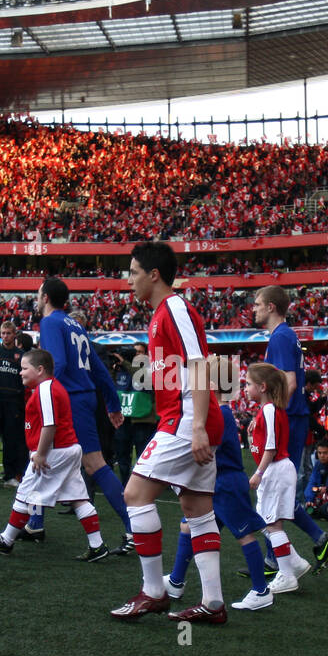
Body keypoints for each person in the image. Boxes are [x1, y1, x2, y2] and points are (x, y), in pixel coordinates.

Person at [110, 241, 226, 624]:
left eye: (133, 273)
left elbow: (199, 364)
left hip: (186, 418)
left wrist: (195, 426)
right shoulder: (165, 312)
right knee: (197, 509)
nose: (129, 281)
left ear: (153, 274)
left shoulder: (174, 307)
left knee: (134, 494)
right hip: (193, 418)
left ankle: (154, 592)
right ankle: (212, 604)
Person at [167, 355, 278, 611]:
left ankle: (261, 591)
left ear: (213, 383)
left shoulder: (221, 414)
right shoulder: (221, 412)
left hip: (226, 483)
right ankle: (175, 581)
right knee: (189, 527)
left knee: (244, 534)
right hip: (218, 483)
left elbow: (209, 452)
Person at [32, 278, 134, 554]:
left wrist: (46, 391)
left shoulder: (51, 323)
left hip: (70, 399)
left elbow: (59, 363)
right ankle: (33, 521)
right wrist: (113, 404)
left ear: (45, 297)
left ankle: (133, 528)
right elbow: (99, 368)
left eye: (39, 292)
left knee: (93, 464)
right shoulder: (74, 324)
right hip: (84, 396)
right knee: (45, 457)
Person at [0, 349, 108, 562]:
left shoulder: (46, 389)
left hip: (54, 451)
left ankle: (6, 540)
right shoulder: (49, 387)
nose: (20, 373)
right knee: (78, 499)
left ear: (40, 369)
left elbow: (50, 424)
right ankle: (97, 546)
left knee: (25, 492)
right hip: (67, 448)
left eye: (24, 368)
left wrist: (39, 454)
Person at [253, 286, 328, 570]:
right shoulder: (284, 336)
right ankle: (279, 555)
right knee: (277, 489)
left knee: (275, 488)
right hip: (292, 417)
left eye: (257, 304)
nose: (253, 309)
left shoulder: (280, 337)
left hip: (289, 418)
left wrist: (270, 417)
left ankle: (286, 553)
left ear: (271, 307)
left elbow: (288, 383)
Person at [245, 361, 311, 596]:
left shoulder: (270, 409)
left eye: (249, 384)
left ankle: (287, 574)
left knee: (271, 525)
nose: (245, 389)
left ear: (262, 387)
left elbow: (271, 447)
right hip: (275, 470)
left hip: (275, 469)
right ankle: (294, 562)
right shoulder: (267, 410)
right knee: (266, 522)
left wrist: (258, 474)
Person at [0, 322, 27, 489]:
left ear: (14, 334)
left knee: (11, 441)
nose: (6, 336)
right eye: (3, 333)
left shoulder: (21, 355)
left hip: (13, 402)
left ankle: (10, 475)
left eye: (9, 333)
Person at [112, 347, 155, 482]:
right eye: (134, 352)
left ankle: (143, 484)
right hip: (123, 419)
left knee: (143, 455)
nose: (137, 355)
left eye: (139, 352)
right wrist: (115, 368)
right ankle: (125, 484)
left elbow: (141, 377)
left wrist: (125, 363)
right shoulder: (120, 370)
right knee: (122, 454)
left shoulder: (149, 369)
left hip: (142, 419)